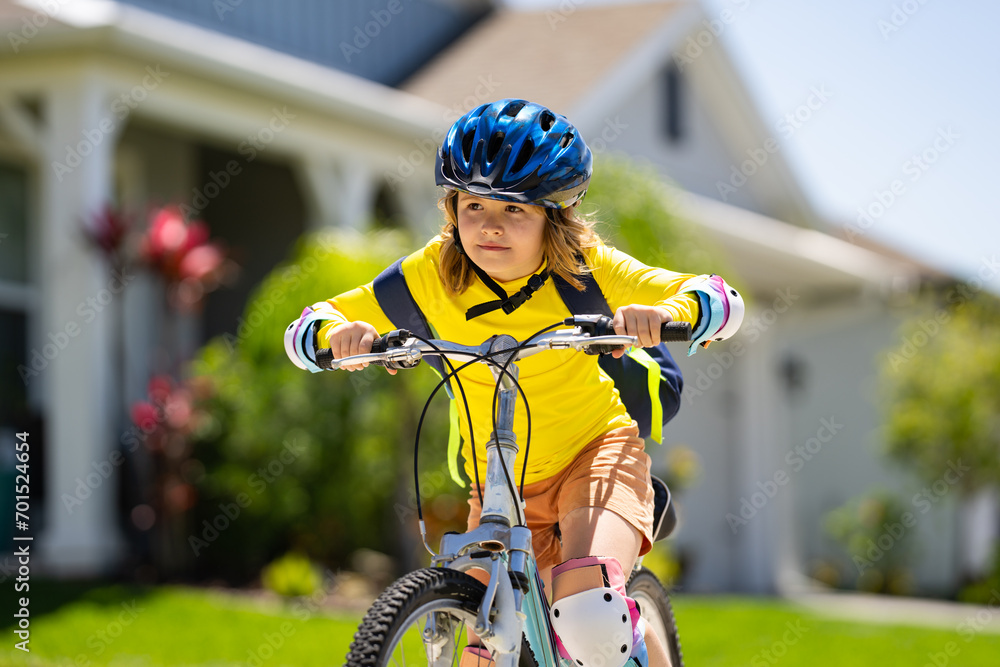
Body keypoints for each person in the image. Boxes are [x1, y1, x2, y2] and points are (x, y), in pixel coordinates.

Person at [285, 99, 742, 667]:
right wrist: (338, 336)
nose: (489, 225)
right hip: (498, 478)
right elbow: (308, 324)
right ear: (452, 209)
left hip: (594, 457)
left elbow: (720, 297)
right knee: (484, 646)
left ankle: (631, 634)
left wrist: (668, 312)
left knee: (592, 621)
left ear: (556, 217)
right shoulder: (429, 275)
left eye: (515, 210)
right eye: (472, 205)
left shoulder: (585, 267)